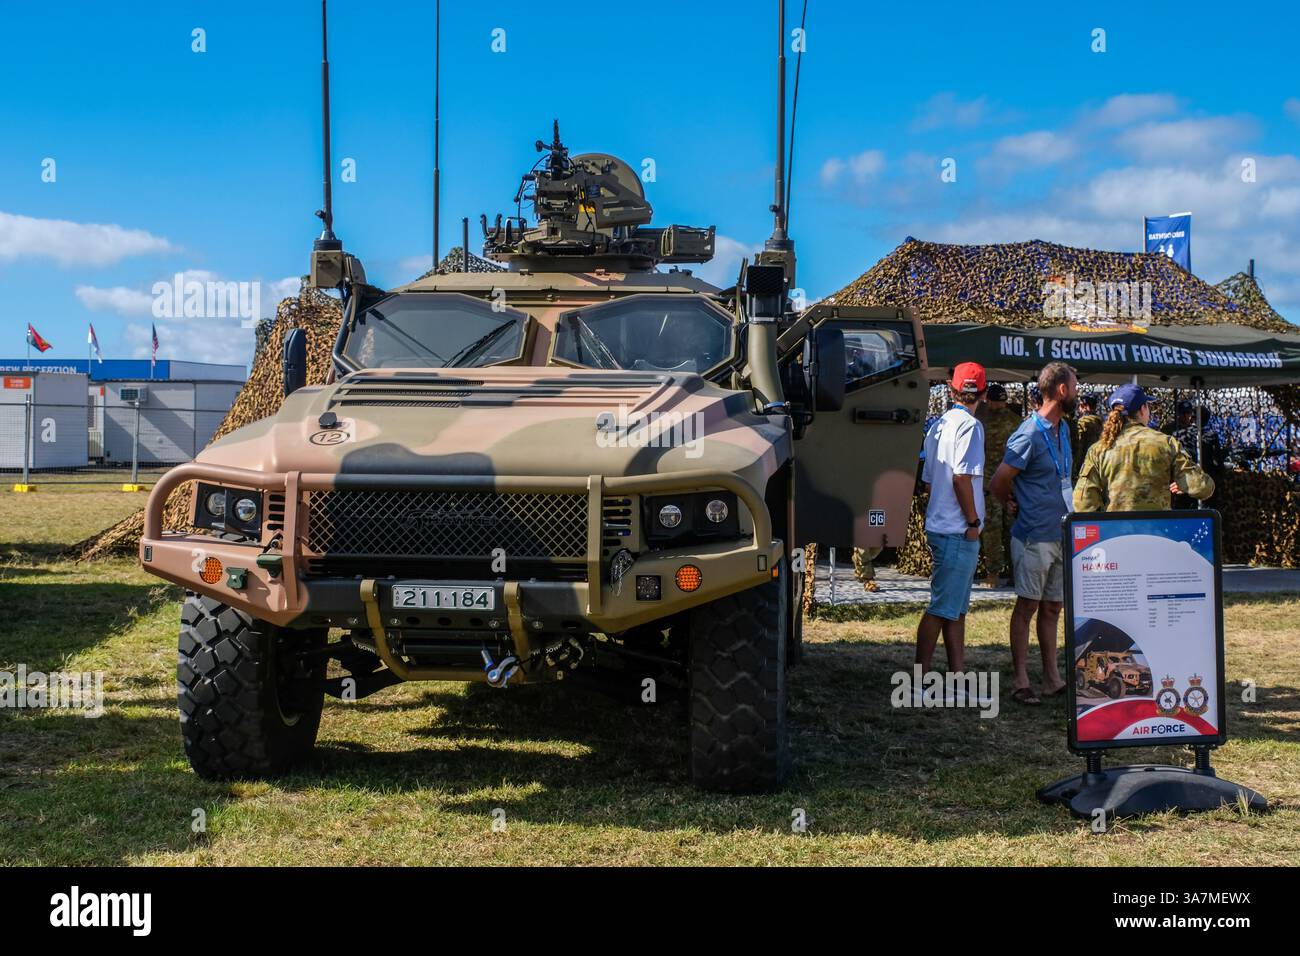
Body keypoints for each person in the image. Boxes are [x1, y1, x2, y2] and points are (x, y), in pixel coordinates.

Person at [989, 362, 1078, 706]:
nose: (1077, 391)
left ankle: (1052, 679)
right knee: (1027, 606)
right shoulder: (1027, 433)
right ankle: (1021, 680)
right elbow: (999, 481)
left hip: (1060, 532)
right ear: (1060, 390)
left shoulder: (1063, 429)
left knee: (1053, 607)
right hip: (1033, 537)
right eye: (1075, 386)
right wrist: (1011, 504)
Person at [914, 362, 987, 680]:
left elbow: (930, 482)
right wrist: (972, 521)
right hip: (958, 529)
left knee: (954, 608)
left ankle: (957, 675)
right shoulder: (970, 426)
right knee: (943, 607)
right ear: (982, 392)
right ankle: (920, 679)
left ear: (952, 388)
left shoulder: (939, 425)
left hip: (942, 525)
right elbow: (961, 479)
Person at [1073, 385, 1215, 512]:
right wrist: (1182, 484)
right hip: (1157, 532)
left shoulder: (1099, 448)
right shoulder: (1166, 443)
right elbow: (1202, 487)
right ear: (1142, 409)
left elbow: (1083, 502)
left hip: (1115, 534)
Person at [976, 383, 1020, 586]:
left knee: (992, 529)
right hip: (1012, 483)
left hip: (988, 483)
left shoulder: (980, 421)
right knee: (1013, 529)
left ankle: (993, 574)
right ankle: (1016, 573)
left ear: (989, 400)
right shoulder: (1016, 421)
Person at [1169, 401, 1222, 509]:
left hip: (1190, 480)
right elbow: (1217, 462)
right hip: (1197, 481)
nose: (1186, 416)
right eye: (1184, 413)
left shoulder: (1180, 434)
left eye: (1188, 413)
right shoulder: (1210, 435)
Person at [1072, 395, 1102, 478]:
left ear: (1086, 407)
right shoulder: (1102, 422)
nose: (1079, 408)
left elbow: (1079, 448)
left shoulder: (1083, 423)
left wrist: (1075, 469)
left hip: (1085, 465)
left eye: (1081, 406)